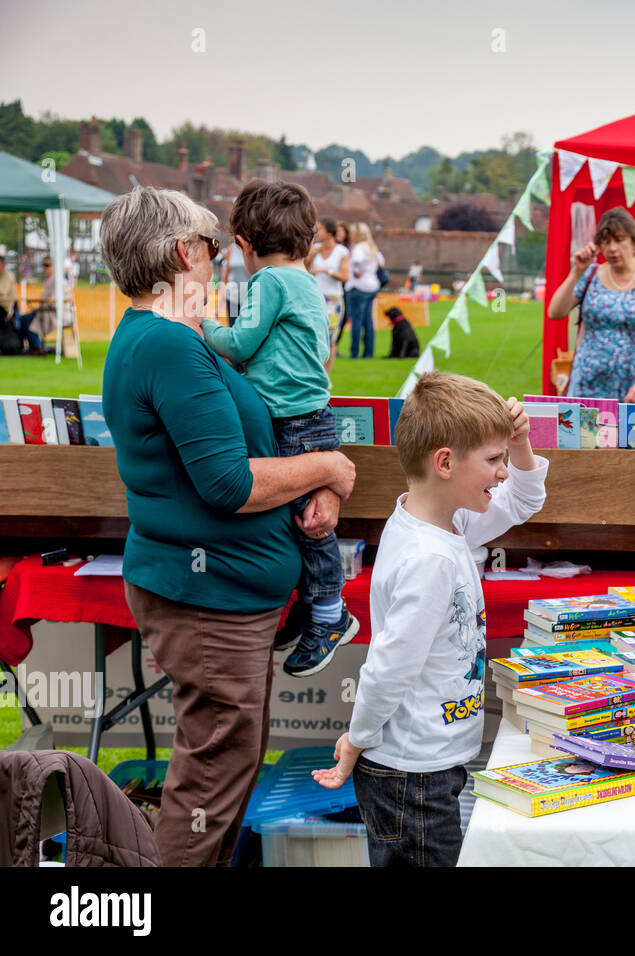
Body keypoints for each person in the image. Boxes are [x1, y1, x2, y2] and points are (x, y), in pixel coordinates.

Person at [98, 185, 356, 865]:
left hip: (220, 594)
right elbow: (229, 483)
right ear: (182, 252)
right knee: (209, 780)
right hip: (208, 598)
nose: (217, 261)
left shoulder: (171, 339)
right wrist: (327, 466)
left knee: (222, 769)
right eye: (210, 248)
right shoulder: (169, 346)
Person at [312, 371, 548, 867]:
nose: (504, 472)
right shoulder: (430, 558)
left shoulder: (449, 519)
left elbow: (525, 500)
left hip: (425, 768)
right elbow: (389, 667)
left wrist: (521, 445)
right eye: (493, 459)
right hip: (411, 778)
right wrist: (356, 741)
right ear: (445, 462)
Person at [201, 179, 360, 678]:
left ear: (245, 244)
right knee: (306, 520)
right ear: (309, 241)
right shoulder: (310, 283)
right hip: (313, 417)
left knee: (310, 525)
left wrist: (202, 326)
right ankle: (311, 608)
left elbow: (242, 344)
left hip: (292, 421)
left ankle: (330, 615)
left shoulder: (268, 282)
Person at [545, 208, 635, 402]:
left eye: (619, 240)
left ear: (634, 242)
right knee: (586, 434)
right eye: (606, 242)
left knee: (630, 433)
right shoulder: (589, 276)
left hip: (634, 389)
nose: (613, 248)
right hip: (586, 385)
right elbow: (555, 312)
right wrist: (576, 272)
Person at [309, 218, 349, 370]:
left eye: (320, 229)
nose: (317, 233)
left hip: (333, 300)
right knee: (314, 337)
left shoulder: (342, 252)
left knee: (330, 339)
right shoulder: (315, 249)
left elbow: (345, 277)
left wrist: (326, 271)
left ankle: (326, 377)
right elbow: (305, 270)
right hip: (315, 298)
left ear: (330, 233)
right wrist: (311, 256)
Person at [344, 222, 384, 359]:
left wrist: (356, 270)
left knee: (356, 320)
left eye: (352, 232)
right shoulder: (372, 247)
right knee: (368, 320)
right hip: (372, 286)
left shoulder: (358, 248)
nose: (350, 235)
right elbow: (381, 262)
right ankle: (368, 352)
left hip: (358, 287)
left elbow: (356, 260)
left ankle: (354, 352)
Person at [219, 238, 250, 325]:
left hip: (249, 300)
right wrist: (220, 302)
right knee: (233, 329)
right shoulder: (232, 248)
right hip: (232, 299)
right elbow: (225, 276)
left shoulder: (254, 248)